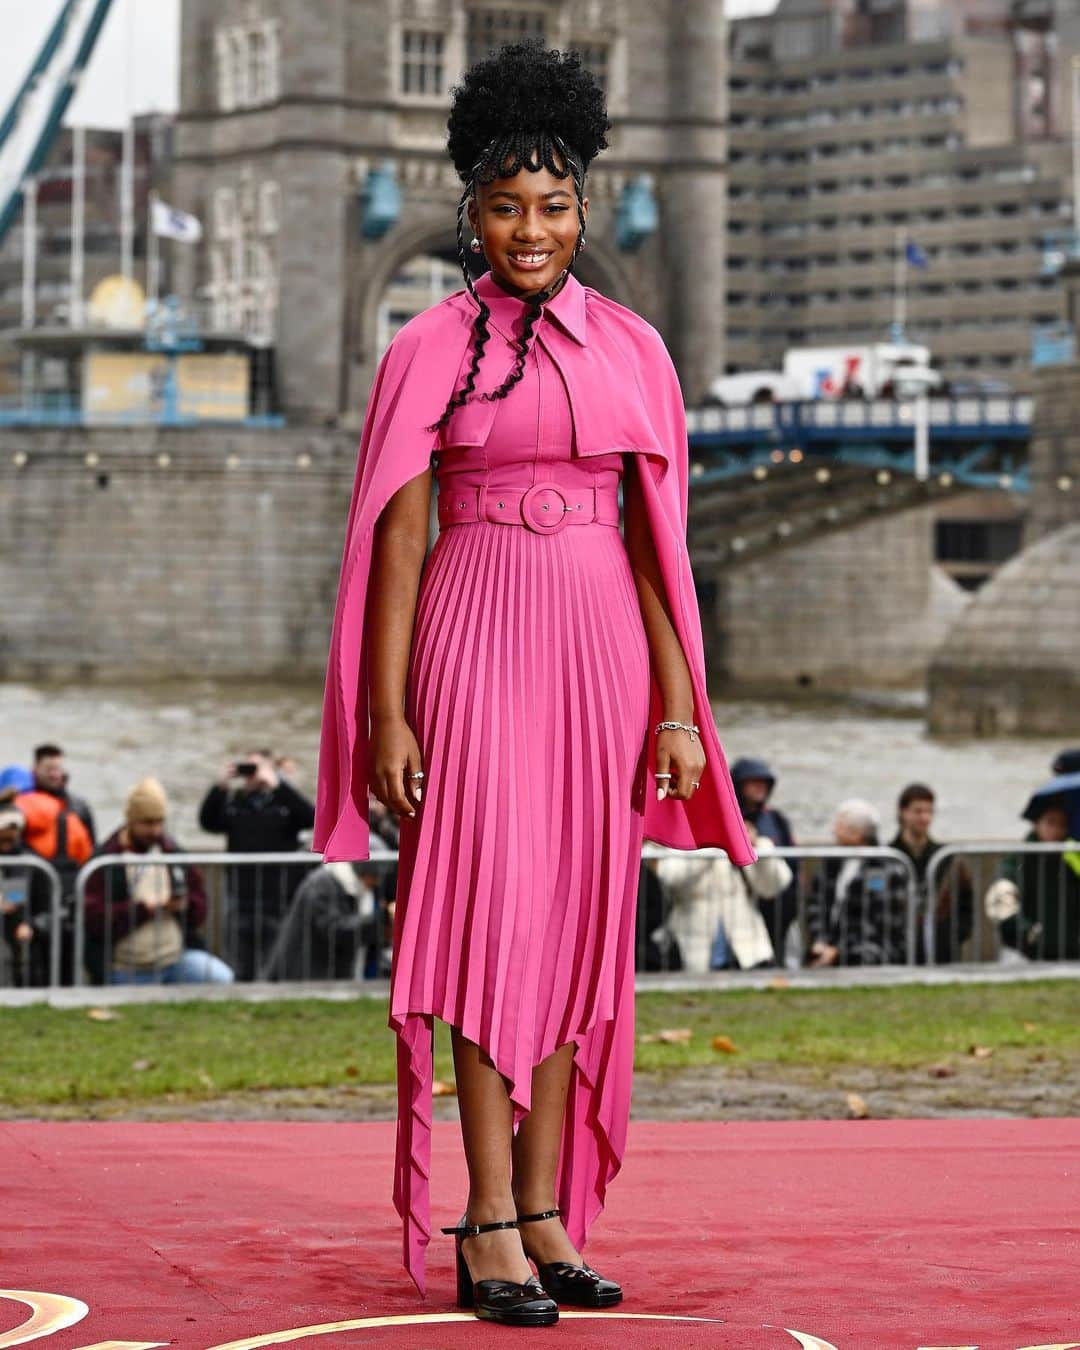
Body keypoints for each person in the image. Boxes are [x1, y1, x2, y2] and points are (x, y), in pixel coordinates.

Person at [311, 41, 755, 1323]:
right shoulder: (425, 352)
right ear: (473, 213)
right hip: (474, 640)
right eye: (507, 206)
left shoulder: (635, 351)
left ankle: (552, 1211)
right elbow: (398, 538)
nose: (531, 229)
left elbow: (657, 551)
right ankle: (486, 1217)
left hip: (603, 656)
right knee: (489, 927)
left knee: (576, 934)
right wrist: (388, 711)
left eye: (554, 207)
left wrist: (677, 707)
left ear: (582, 213)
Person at [84, 778, 233, 986]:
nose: (155, 830)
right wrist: (144, 910)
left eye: (159, 822)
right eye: (147, 823)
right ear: (130, 820)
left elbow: (200, 906)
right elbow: (93, 920)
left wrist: (184, 906)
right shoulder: (106, 860)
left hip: (175, 959)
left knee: (222, 978)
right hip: (125, 967)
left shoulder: (172, 853)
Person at [198, 749, 316, 981]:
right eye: (248, 768)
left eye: (257, 768)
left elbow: (311, 817)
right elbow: (208, 822)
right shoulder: (236, 802)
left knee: (275, 964)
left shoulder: (284, 802)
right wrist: (220, 787)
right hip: (240, 897)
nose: (253, 775)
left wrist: (278, 785)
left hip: (277, 898)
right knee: (239, 965)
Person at [657, 824, 793, 971]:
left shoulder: (735, 828)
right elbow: (670, 877)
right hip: (694, 946)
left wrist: (757, 847)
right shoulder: (678, 836)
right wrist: (713, 843)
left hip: (748, 947)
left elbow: (772, 887)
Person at [806, 798, 911, 967]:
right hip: (831, 948)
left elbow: (876, 918)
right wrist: (820, 939)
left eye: (839, 826)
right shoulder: (832, 863)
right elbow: (817, 903)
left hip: (870, 955)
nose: (833, 831)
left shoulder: (883, 868)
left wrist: (840, 951)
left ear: (857, 833)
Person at [985, 797, 1080, 962]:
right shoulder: (1016, 860)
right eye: (1051, 823)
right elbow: (1001, 900)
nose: (1057, 831)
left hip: (1071, 950)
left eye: (1063, 825)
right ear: (1036, 823)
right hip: (1025, 952)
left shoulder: (1073, 857)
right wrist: (1029, 933)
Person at [888, 782, 973, 964]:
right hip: (897, 951)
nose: (925, 817)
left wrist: (956, 935)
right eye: (918, 811)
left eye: (929, 811)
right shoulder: (887, 856)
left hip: (942, 951)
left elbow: (966, 901)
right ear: (902, 812)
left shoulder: (947, 858)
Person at [730, 756, 797, 962]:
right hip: (741, 900)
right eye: (753, 781)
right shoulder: (729, 817)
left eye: (764, 782)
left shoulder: (776, 818)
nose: (760, 787)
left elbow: (792, 857)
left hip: (776, 901)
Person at [0, 804, 54, 987]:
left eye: (14, 830)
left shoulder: (33, 864)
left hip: (24, 947)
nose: (9, 835)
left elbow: (49, 909)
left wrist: (32, 926)